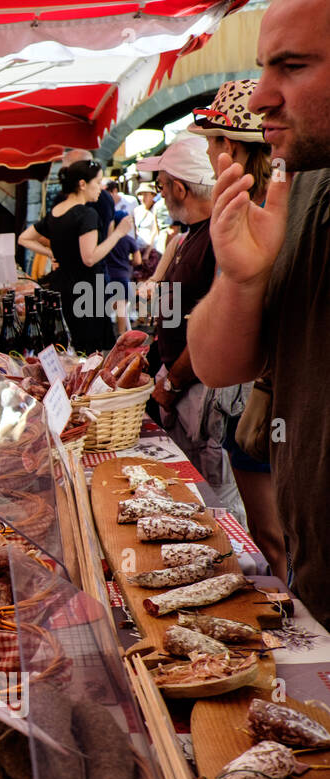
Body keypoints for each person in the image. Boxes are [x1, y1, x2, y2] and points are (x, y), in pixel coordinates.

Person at [189, 0, 330, 622]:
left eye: (293, 66)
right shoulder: (298, 189)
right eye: (263, 68)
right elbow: (219, 365)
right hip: (318, 575)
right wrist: (242, 279)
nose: (262, 97)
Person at [187, 78, 287, 583]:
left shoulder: (258, 213)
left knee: (275, 534)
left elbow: (219, 360)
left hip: (265, 404)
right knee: (279, 535)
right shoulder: (248, 212)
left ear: (227, 145)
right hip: (258, 403)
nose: (207, 152)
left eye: (210, 140)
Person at [138, 133, 244, 518]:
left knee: (216, 500)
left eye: (162, 186)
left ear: (179, 188)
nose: (160, 194)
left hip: (202, 392)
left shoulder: (217, 238)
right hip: (185, 390)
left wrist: (172, 381)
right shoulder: (190, 236)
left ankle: (240, 567)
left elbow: (218, 327)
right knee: (194, 493)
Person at [19, 159, 133, 352]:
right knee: (91, 351)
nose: (100, 187)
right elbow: (89, 258)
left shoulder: (56, 211)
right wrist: (118, 234)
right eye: (97, 182)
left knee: (72, 348)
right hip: (86, 290)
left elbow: (24, 238)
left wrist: (52, 253)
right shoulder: (86, 214)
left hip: (63, 286)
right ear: (82, 184)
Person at [105, 210, 143, 334]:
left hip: (107, 276)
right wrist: (127, 263)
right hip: (122, 277)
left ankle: (107, 336)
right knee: (121, 308)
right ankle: (121, 336)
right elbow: (138, 261)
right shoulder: (129, 240)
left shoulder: (107, 240)